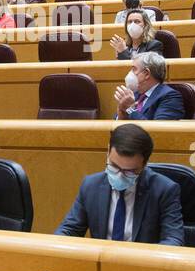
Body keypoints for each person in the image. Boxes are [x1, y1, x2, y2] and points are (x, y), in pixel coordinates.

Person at [54, 124, 184, 245]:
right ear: (108, 151)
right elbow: (69, 230)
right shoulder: (90, 186)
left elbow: (173, 240)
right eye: (114, 166)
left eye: (129, 171)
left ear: (144, 165)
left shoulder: (165, 190)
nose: (119, 175)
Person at [114, 53, 184, 121]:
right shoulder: (133, 95)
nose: (130, 73)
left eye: (134, 69)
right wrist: (121, 113)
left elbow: (158, 129)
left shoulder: (170, 97)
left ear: (147, 73)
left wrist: (130, 109)